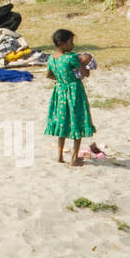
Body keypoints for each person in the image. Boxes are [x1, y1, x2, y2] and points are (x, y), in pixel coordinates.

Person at [44, 29, 95, 167]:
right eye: (70, 42)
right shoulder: (70, 58)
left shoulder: (51, 59)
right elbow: (85, 73)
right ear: (62, 43)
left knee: (63, 123)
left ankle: (59, 156)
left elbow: (49, 75)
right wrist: (87, 66)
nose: (72, 45)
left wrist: (61, 79)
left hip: (59, 92)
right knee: (76, 122)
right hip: (74, 92)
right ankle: (74, 158)